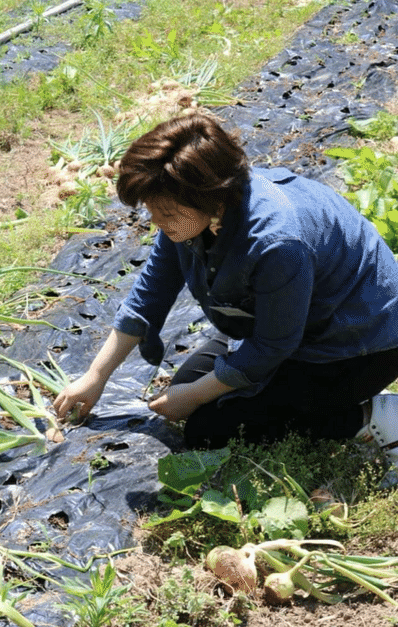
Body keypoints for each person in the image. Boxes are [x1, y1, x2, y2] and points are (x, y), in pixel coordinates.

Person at [53, 112, 398, 459]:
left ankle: (370, 417)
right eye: (152, 210)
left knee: (209, 430)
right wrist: (95, 376)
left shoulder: (277, 242)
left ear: (210, 198)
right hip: (289, 325)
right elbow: (150, 294)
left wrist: (197, 395)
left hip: (356, 343)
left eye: (166, 213)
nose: (156, 221)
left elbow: (271, 346)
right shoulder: (192, 213)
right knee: (185, 388)